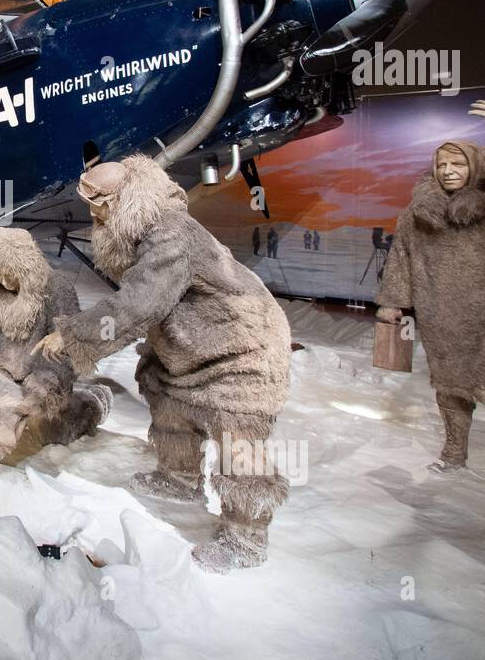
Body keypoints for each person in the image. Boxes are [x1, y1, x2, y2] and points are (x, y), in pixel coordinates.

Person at [34, 155, 292, 572]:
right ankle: (180, 478)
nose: (90, 211)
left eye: (94, 203)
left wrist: (72, 335)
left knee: (237, 436)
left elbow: (138, 304)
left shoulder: (170, 234)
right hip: (194, 341)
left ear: (115, 200)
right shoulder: (144, 229)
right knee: (167, 395)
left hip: (241, 346)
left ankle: (246, 537)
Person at [377, 99, 485, 486]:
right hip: (446, 319)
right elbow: (402, 256)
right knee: (451, 391)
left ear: (474, 166)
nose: (447, 171)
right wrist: (393, 301)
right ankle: (453, 454)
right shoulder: (419, 212)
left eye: (457, 164)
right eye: (441, 164)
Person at [0, 227, 110, 456]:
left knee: (41, 430)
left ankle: (90, 405)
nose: (5, 281)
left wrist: (44, 386)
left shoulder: (56, 289)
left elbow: (66, 348)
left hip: (39, 378)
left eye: (11, 273)